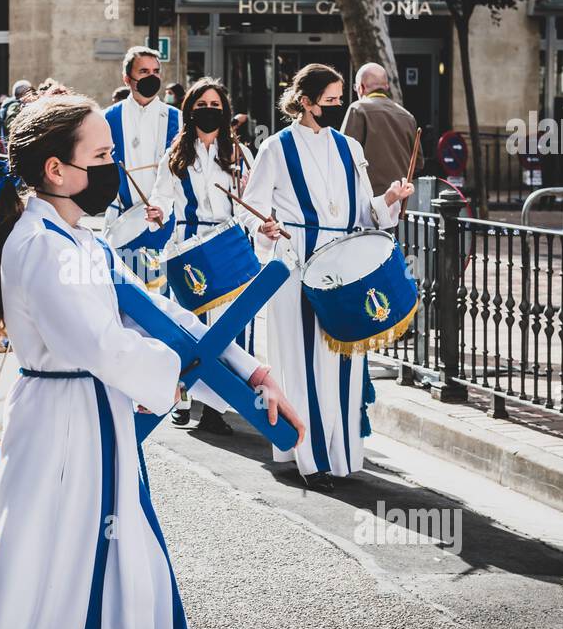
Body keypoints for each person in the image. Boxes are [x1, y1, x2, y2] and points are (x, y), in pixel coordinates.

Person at [0, 93, 303, 629]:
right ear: (56, 171)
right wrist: (169, 375)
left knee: (122, 570)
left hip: (98, 424)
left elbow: (158, 313)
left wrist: (252, 371)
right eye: (102, 155)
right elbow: (102, 345)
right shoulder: (42, 246)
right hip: (62, 432)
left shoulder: (82, 240)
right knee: (57, 577)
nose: (113, 168)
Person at [236, 63, 413, 490]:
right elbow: (249, 207)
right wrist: (263, 226)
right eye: (330, 100)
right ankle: (310, 457)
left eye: (339, 98)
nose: (338, 106)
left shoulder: (350, 147)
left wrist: (390, 197)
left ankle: (342, 454)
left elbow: (364, 211)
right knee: (301, 363)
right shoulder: (276, 148)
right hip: (298, 266)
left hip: (346, 268)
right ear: (305, 101)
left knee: (343, 364)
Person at [146, 77, 252, 434]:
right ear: (190, 111)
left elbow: (251, 201)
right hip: (188, 245)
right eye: (201, 106)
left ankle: (215, 408)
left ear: (225, 112)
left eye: (215, 106)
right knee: (188, 325)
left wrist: (262, 226)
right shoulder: (175, 154)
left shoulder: (238, 153)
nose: (209, 111)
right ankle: (183, 397)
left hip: (227, 245)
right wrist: (157, 212)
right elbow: (162, 194)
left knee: (225, 325)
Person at [103, 46, 180, 238]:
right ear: (127, 78)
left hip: (166, 220)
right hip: (122, 220)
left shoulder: (178, 118)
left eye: (155, 71)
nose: (151, 77)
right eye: (144, 71)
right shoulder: (108, 118)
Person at [339, 62, 418, 197]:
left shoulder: (358, 108)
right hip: (401, 199)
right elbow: (418, 162)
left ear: (361, 88)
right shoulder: (407, 116)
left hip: (369, 200)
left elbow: (342, 154)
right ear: (386, 86)